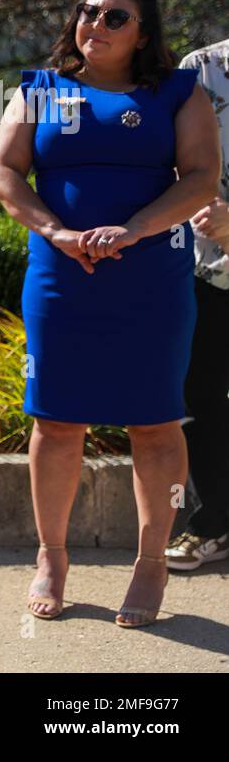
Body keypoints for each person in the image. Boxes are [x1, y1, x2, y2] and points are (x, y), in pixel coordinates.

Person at [0, 0, 221, 627]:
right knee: (57, 422)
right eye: (88, 11)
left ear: (144, 33)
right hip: (62, 278)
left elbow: (202, 179)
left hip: (151, 279)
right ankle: (52, 557)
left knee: (155, 425)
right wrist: (59, 232)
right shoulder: (38, 89)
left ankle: (149, 566)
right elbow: (3, 173)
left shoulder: (180, 92)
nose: (95, 23)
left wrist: (136, 228)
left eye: (115, 17)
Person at [166, 37, 229, 570]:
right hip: (207, 272)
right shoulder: (202, 68)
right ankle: (216, 522)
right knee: (197, 398)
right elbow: (180, 168)